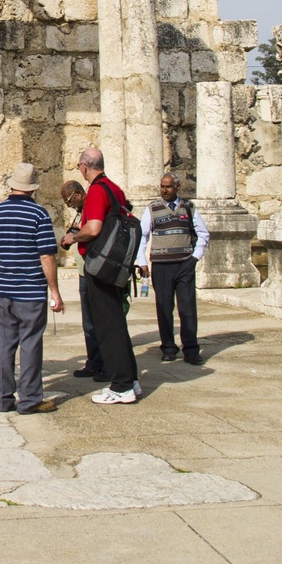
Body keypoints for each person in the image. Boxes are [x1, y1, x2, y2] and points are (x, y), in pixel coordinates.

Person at [0, 162, 63, 415]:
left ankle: (3, 398)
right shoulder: (39, 214)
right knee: (31, 345)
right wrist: (55, 291)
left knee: (5, 345)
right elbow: (46, 255)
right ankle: (29, 399)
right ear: (33, 188)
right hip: (31, 292)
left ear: (12, 186)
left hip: (4, 290)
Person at [63, 148, 142, 405]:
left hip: (100, 268)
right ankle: (131, 379)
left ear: (84, 167)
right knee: (117, 323)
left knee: (108, 327)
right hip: (115, 265)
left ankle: (121, 386)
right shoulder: (114, 188)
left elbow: (94, 227)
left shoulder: (97, 190)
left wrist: (73, 237)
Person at [137, 173, 210, 365]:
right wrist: (142, 261)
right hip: (161, 266)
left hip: (184, 264)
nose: (164, 190)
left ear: (177, 187)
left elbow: (203, 234)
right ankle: (168, 347)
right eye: (162, 186)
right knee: (164, 308)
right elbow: (142, 236)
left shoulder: (188, 207)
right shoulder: (152, 208)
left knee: (187, 308)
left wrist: (194, 258)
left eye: (168, 187)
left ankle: (191, 349)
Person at [60, 179, 106, 383]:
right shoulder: (80, 212)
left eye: (70, 200)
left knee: (101, 320)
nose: (69, 205)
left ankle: (106, 364)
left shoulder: (93, 208)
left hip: (96, 271)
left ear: (79, 193)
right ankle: (94, 362)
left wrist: (75, 237)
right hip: (84, 271)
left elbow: (94, 231)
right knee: (89, 322)